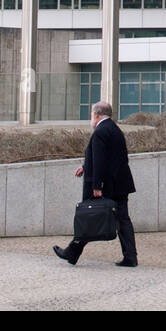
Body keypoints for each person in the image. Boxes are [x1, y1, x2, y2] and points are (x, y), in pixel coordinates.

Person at [54, 101, 137, 267]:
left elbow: (100, 161)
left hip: (106, 185)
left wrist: (97, 186)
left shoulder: (100, 132)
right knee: (122, 220)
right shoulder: (114, 129)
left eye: (91, 115)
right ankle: (130, 256)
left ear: (97, 115)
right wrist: (85, 166)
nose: (91, 118)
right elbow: (113, 156)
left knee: (87, 217)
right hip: (120, 183)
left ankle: (72, 251)